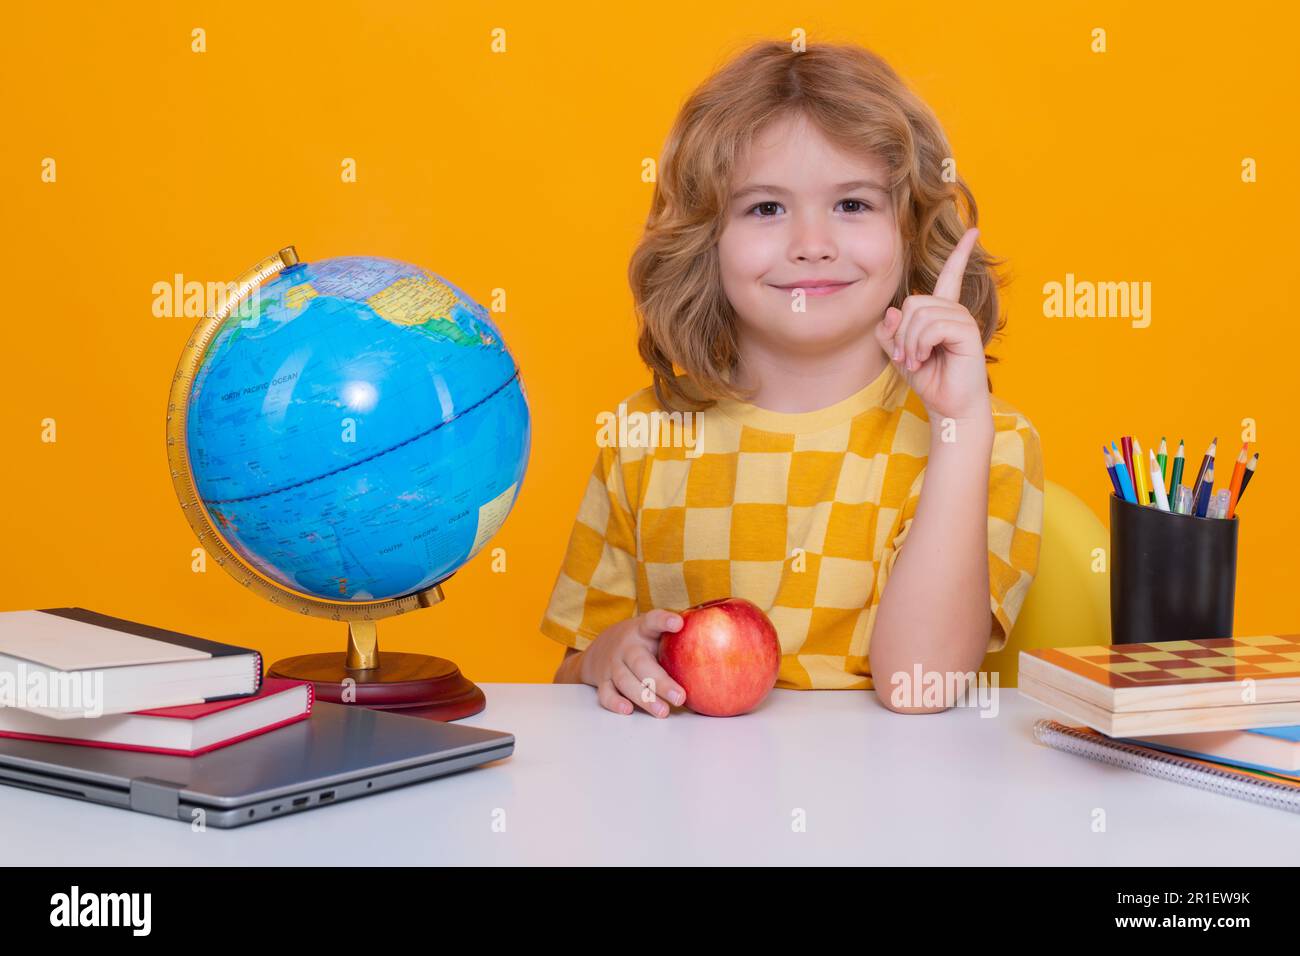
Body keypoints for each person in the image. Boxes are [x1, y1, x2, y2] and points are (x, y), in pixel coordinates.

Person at [539, 39, 1043, 717]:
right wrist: (611, 655)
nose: (812, 242)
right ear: (703, 241)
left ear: (912, 229)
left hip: (896, 810)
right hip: (686, 812)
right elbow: (573, 677)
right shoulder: (643, 435)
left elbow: (918, 686)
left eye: (854, 204)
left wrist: (958, 430)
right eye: (766, 209)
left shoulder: (987, 440)